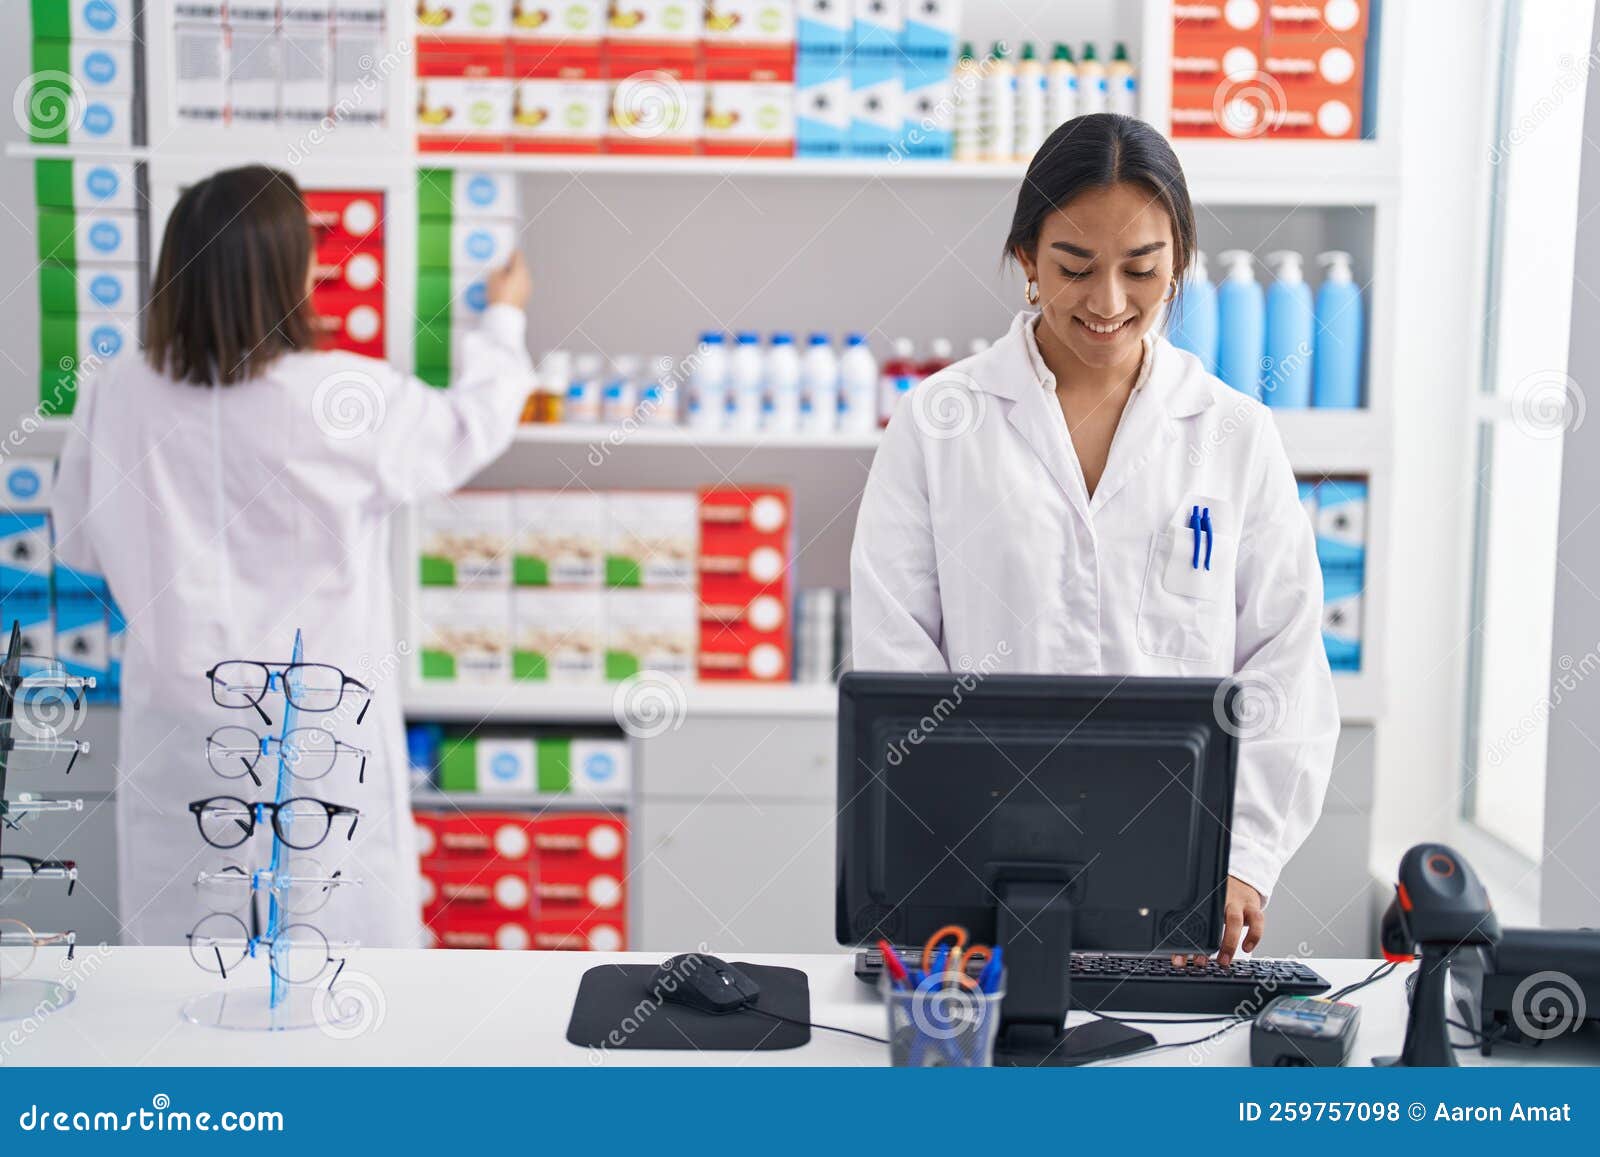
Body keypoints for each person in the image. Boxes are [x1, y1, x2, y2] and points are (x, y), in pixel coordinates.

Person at [849, 114, 1339, 966]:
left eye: (1141, 269)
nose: (1109, 303)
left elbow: (1284, 660)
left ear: (1179, 263)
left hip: (1178, 883)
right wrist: (937, 855)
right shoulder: (940, 421)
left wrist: (1246, 861)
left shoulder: (1234, 432)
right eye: (1075, 267)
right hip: (975, 872)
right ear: (1027, 260)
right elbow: (898, 657)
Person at [51, 165, 534, 948]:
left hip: (182, 732)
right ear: (286, 274)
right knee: (335, 969)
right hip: (320, 731)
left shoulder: (117, 393)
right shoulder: (347, 397)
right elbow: (469, 427)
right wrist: (504, 322)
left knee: (186, 968)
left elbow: (79, 541)